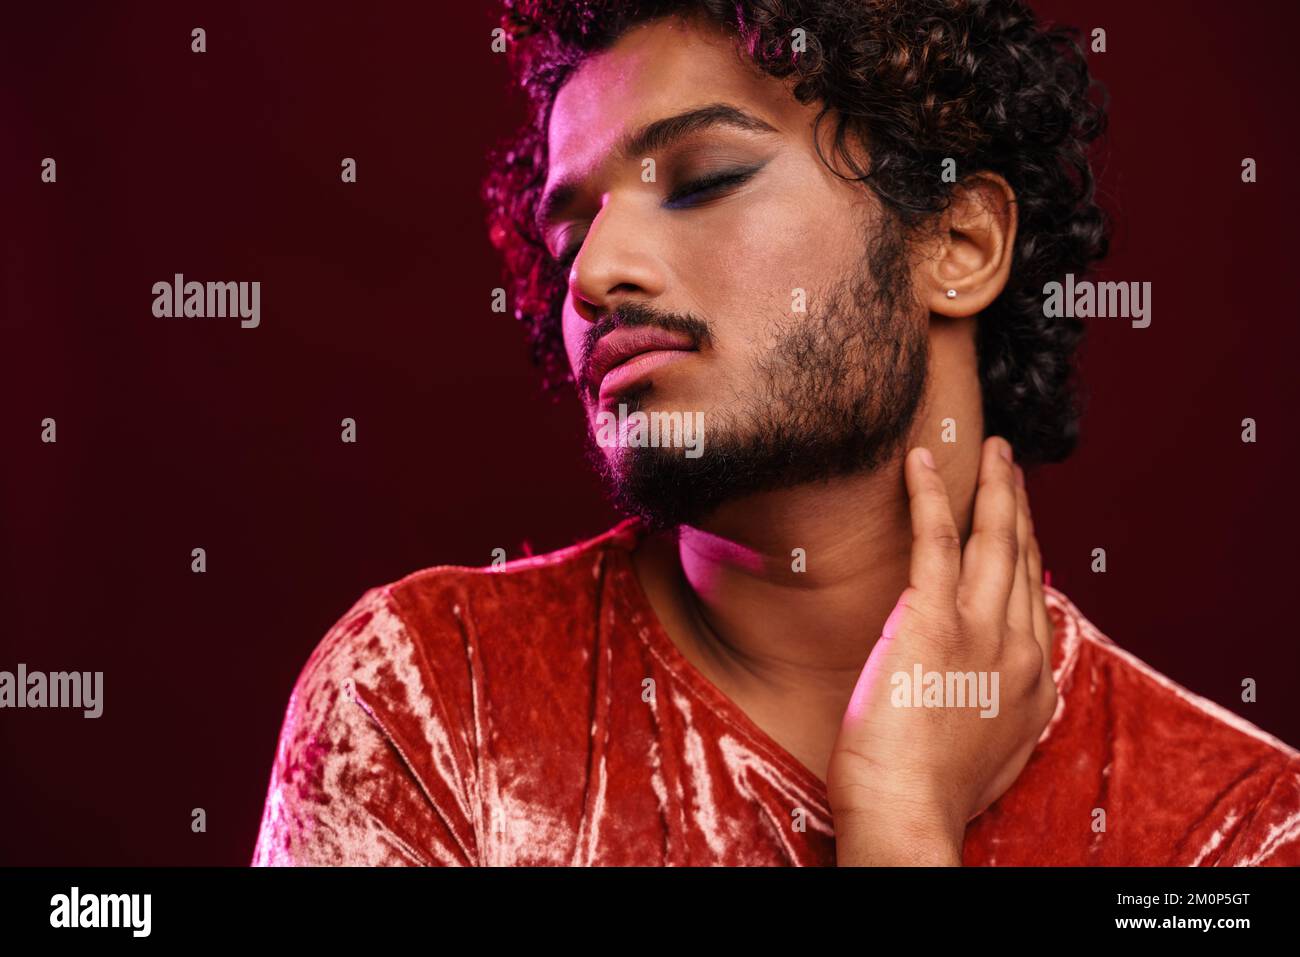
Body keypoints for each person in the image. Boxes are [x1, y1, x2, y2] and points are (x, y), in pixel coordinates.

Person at [251, 0, 1300, 865]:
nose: (594, 274)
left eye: (703, 179)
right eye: (568, 232)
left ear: (958, 241)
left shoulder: (1232, 829)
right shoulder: (429, 700)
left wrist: (902, 815)